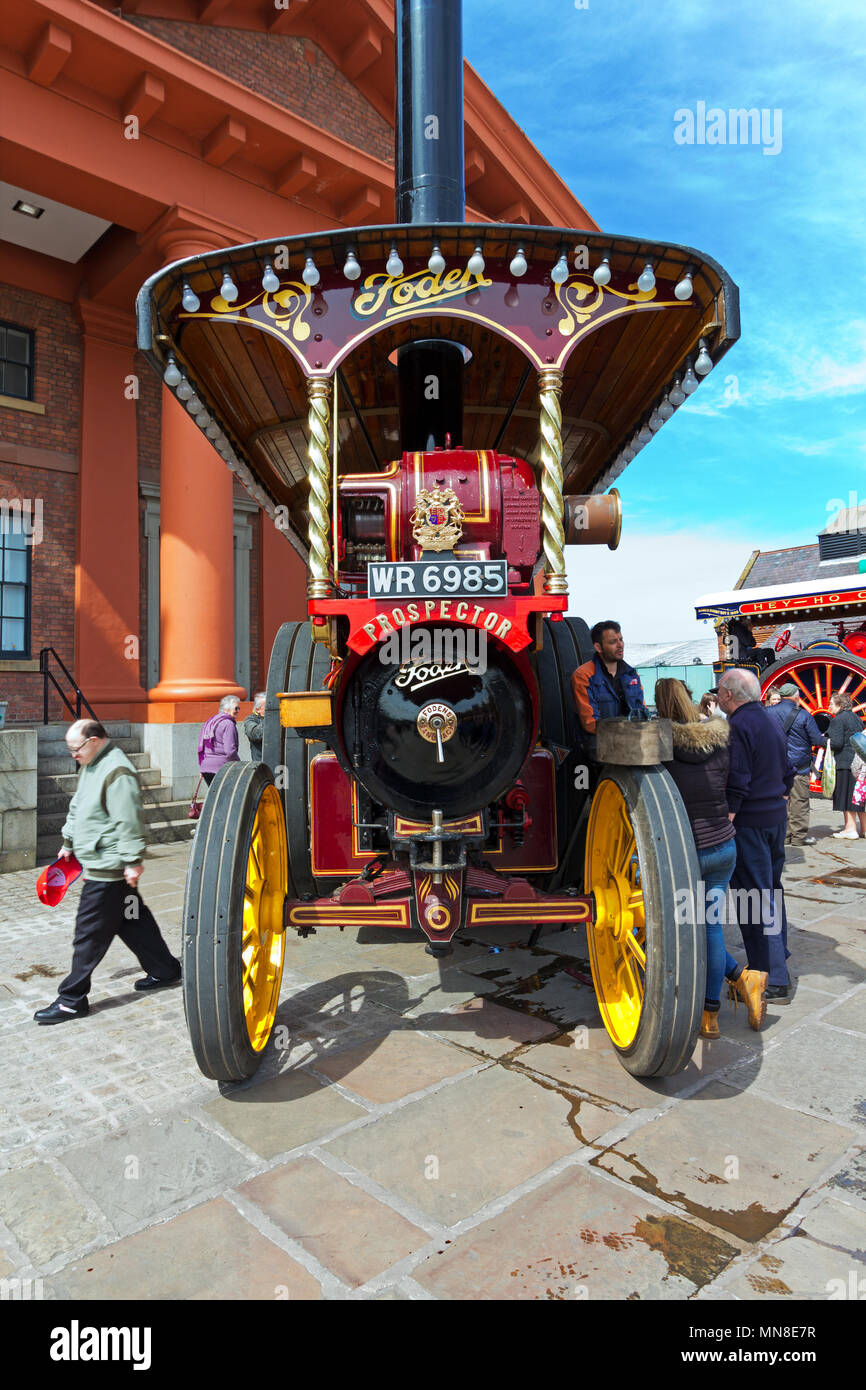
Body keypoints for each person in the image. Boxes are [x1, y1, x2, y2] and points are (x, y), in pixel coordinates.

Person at [33, 720, 181, 1025]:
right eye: (70, 749)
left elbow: (128, 819)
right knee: (132, 920)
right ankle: (165, 970)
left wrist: (131, 860)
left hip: (108, 868)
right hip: (103, 863)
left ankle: (71, 1000)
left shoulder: (117, 770)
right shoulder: (91, 763)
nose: (73, 754)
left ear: (96, 740)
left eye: (76, 748)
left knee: (88, 934)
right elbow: (79, 806)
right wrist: (68, 841)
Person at [655, 679, 767, 1036]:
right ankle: (743, 978)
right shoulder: (720, 740)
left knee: (703, 929)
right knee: (705, 926)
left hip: (690, 852)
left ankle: (710, 1012)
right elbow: (734, 784)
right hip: (724, 846)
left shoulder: (661, 749)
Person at [717, 669, 794, 1003]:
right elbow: (788, 769)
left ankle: (771, 977)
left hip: (749, 822)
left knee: (754, 899)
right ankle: (777, 958)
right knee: (771, 891)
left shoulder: (738, 726)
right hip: (774, 817)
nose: (718, 697)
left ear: (730, 695)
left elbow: (738, 779)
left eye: (720, 692)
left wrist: (728, 820)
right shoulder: (770, 719)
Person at [572, 620, 647, 756]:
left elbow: (642, 712)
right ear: (598, 647)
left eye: (621, 640)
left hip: (631, 746)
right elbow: (590, 723)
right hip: (599, 749)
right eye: (613, 642)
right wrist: (625, 732)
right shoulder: (583, 676)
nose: (620, 645)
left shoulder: (631, 675)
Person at [767, 682, 824, 847]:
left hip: (775, 767)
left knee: (780, 802)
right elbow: (816, 740)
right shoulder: (804, 715)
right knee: (800, 802)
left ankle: (783, 836)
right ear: (795, 696)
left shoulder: (768, 713)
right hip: (799, 767)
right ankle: (798, 837)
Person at [826, 692, 865, 838]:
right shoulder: (856, 718)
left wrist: (823, 741)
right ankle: (864, 829)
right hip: (859, 762)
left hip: (844, 763)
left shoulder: (838, 720)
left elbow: (837, 743)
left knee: (846, 796)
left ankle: (850, 828)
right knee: (858, 797)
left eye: (831, 704)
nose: (829, 707)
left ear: (840, 705)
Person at [198, 695, 241, 785]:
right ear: (226, 709)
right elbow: (230, 751)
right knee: (227, 798)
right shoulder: (228, 724)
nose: (238, 711)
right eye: (236, 708)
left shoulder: (211, 721)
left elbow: (202, 747)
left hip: (206, 768)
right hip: (221, 768)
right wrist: (239, 764)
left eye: (238, 708)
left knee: (215, 797)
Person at [243, 691, 266, 763]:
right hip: (260, 763)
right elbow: (254, 734)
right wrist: (269, 719)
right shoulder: (250, 720)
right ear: (257, 709)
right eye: (267, 707)